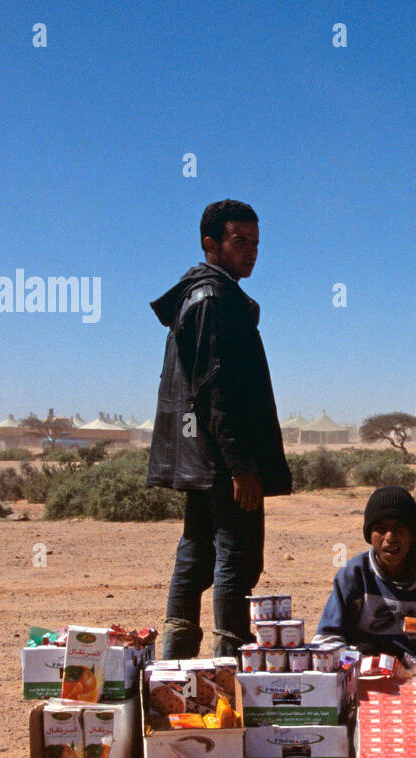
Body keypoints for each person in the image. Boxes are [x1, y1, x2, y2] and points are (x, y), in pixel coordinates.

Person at [147, 199, 291, 658]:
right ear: (211, 244)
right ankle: (228, 661)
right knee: (237, 557)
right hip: (223, 463)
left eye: (255, 243)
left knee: (198, 551)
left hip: (203, 460)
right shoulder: (213, 299)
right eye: (239, 242)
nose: (250, 252)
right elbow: (215, 391)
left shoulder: (209, 295)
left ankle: (175, 666)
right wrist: (241, 466)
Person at [313, 486, 416, 687]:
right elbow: (327, 640)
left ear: (412, 534)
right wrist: (358, 668)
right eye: (381, 529)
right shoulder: (354, 575)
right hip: (366, 681)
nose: (390, 537)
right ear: (369, 534)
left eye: (399, 528)